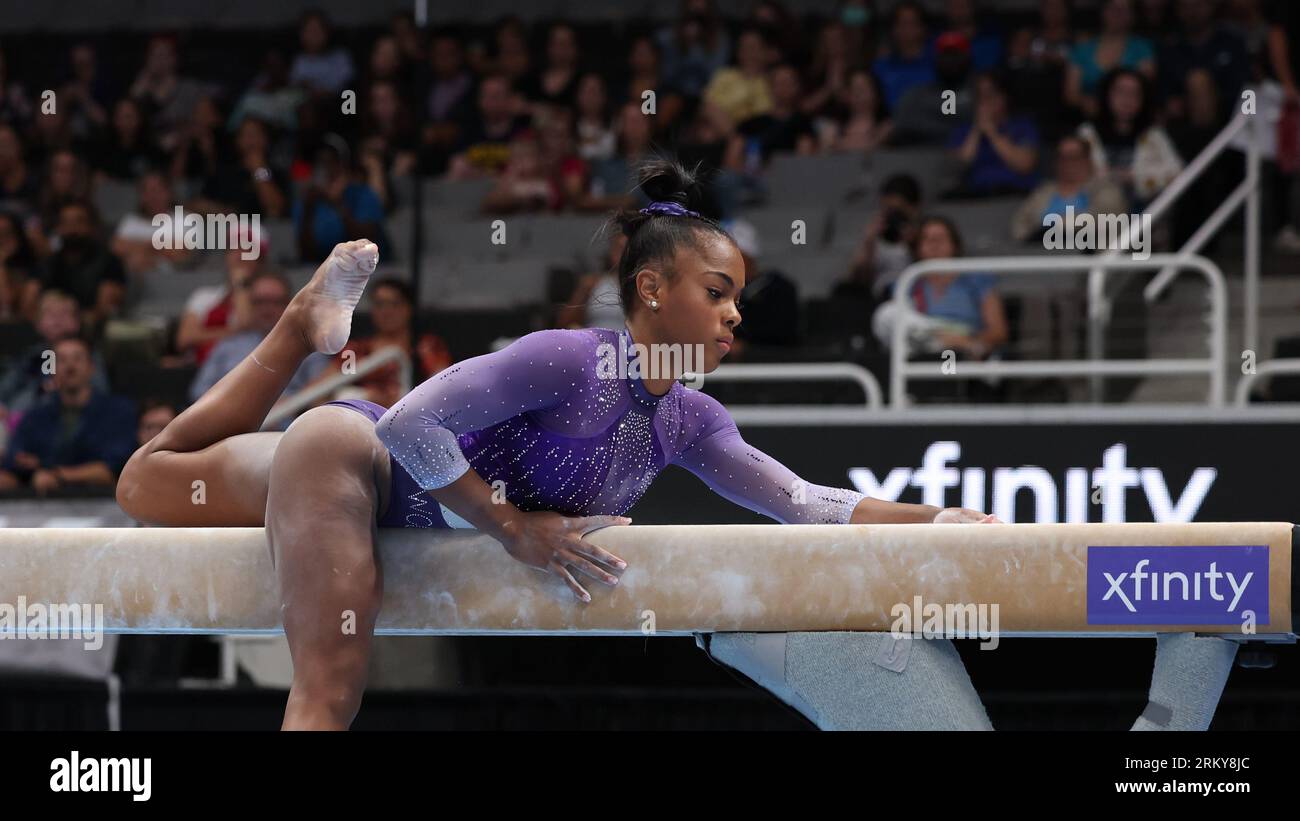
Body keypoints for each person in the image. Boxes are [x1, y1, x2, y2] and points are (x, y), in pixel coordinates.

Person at [114, 159, 1000, 731]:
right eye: (720, 291)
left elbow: (807, 504)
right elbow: (411, 422)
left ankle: (302, 323)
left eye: (741, 298)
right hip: (352, 462)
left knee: (147, 484)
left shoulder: (690, 419)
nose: (737, 314)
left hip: (386, 497)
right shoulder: (572, 359)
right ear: (652, 288)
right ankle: (300, 325)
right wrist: (513, 529)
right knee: (331, 681)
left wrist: (944, 518)